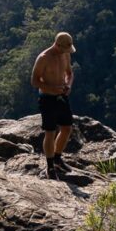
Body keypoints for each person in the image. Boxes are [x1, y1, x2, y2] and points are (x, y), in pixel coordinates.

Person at [31, 31, 75, 179]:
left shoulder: (66, 54)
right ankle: (50, 166)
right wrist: (51, 89)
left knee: (67, 128)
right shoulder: (43, 58)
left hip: (62, 96)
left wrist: (68, 85)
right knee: (50, 132)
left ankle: (57, 158)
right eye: (64, 49)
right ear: (57, 44)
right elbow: (35, 81)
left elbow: (69, 73)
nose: (66, 52)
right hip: (47, 98)